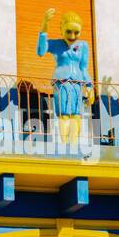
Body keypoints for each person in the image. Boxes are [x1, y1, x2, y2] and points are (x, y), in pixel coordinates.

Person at [37, 8, 94, 148]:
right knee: (64, 113)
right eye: (69, 31)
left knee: (76, 114)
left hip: (77, 83)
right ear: (61, 29)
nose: (73, 36)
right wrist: (44, 25)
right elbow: (40, 51)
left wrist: (90, 86)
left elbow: (83, 67)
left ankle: (73, 144)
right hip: (61, 83)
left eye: (77, 32)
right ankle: (65, 144)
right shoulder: (56, 44)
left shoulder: (83, 46)